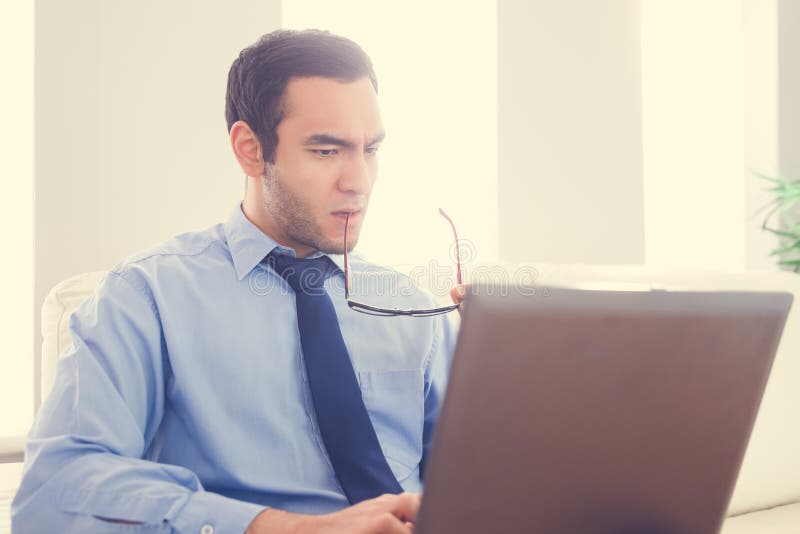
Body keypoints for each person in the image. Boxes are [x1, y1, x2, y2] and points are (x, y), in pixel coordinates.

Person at [12, 29, 464, 533]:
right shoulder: (147, 297)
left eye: (370, 150)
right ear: (250, 149)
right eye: (326, 151)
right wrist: (292, 529)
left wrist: (511, 380)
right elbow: (54, 490)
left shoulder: (415, 311)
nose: (358, 181)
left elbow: (482, 484)